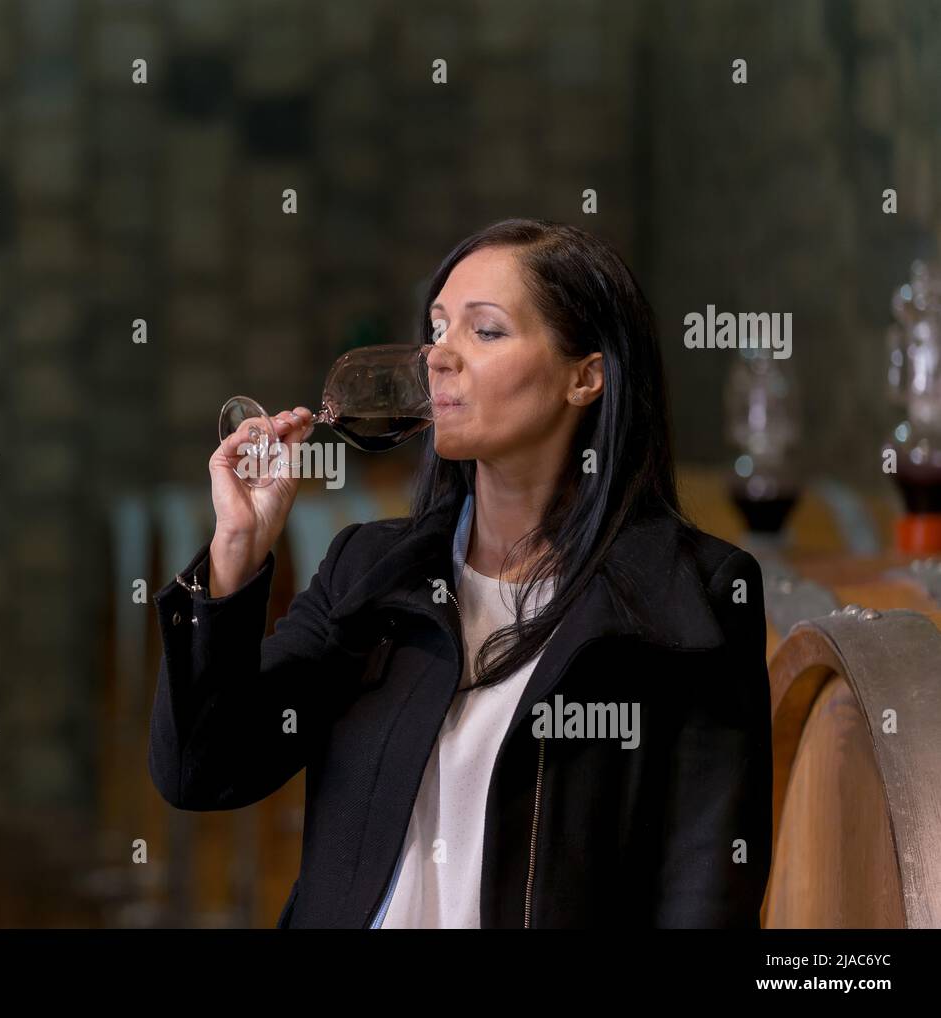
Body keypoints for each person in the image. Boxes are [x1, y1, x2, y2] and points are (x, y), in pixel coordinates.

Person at [148, 217, 773, 928]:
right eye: (438, 328)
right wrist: (237, 548)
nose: (439, 356)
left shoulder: (688, 597)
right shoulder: (372, 573)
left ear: (585, 377)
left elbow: (705, 897)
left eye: (486, 331)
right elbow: (201, 769)